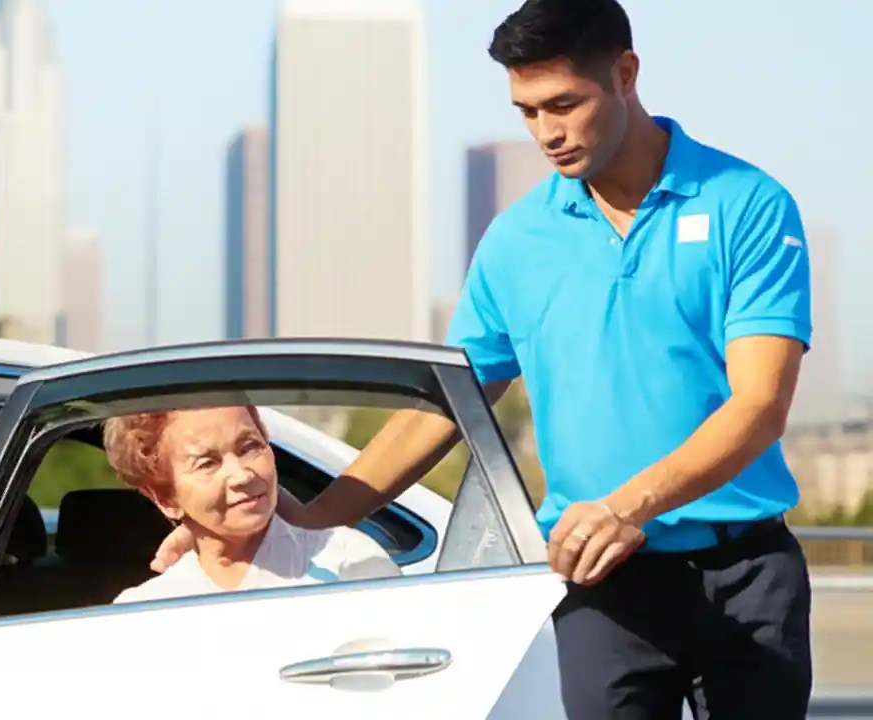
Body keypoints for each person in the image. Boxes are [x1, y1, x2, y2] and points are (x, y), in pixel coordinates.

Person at [153, 1, 814, 717]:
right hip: (597, 584)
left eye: (564, 104)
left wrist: (631, 505)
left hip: (747, 571)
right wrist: (309, 521)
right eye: (526, 110)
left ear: (626, 74)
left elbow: (760, 406)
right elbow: (445, 407)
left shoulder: (745, 204)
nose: (546, 133)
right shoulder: (516, 241)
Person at [104, 404, 400, 604]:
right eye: (207, 463)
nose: (242, 474)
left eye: (250, 447)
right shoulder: (146, 608)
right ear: (165, 498)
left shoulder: (346, 562)